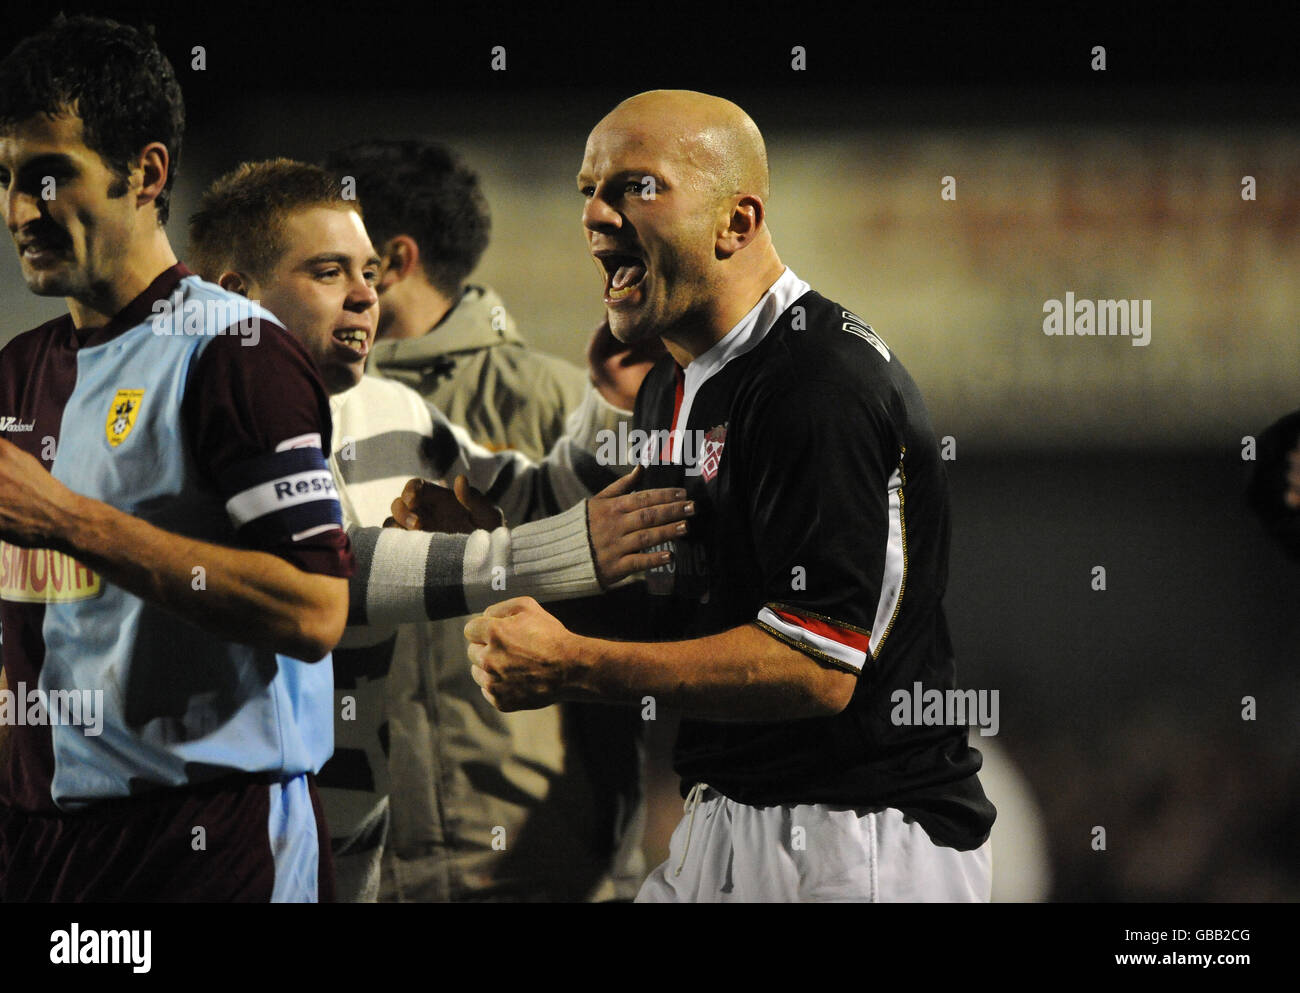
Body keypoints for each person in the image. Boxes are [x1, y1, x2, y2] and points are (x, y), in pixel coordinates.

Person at [464, 89, 997, 902]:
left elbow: (815, 664)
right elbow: (678, 609)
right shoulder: (670, 382)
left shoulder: (818, 385)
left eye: (635, 187)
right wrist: (494, 552)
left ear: (736, 223)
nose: (597, 216)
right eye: (588, 191)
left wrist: (576, 666)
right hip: (728, 813)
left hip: (855, 835)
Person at [187, 158, 690, 901]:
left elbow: (532, 496)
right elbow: (323, 568)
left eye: (368, 271)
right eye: (329, 272)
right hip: (218, 835)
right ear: (238, 298)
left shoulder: (391, 408)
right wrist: (551, 553)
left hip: (358, 842)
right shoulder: (185, 416)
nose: (366, 294)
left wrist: (610, 409)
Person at [0, 16, 350, 901]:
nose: (18, 211)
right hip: (45, 846)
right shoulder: (16, 370)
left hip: (205, 841)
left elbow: (313, 609)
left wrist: (65, 518)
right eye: (5, 179)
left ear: (147, 173)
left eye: (48, 177)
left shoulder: (232, 352)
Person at [322, 140, 652, 901]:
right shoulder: (306, 410)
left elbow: (643, 613)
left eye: (343, 255)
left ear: (395, 260)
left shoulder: (556, 403)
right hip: (357, 863)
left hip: (535, 860)